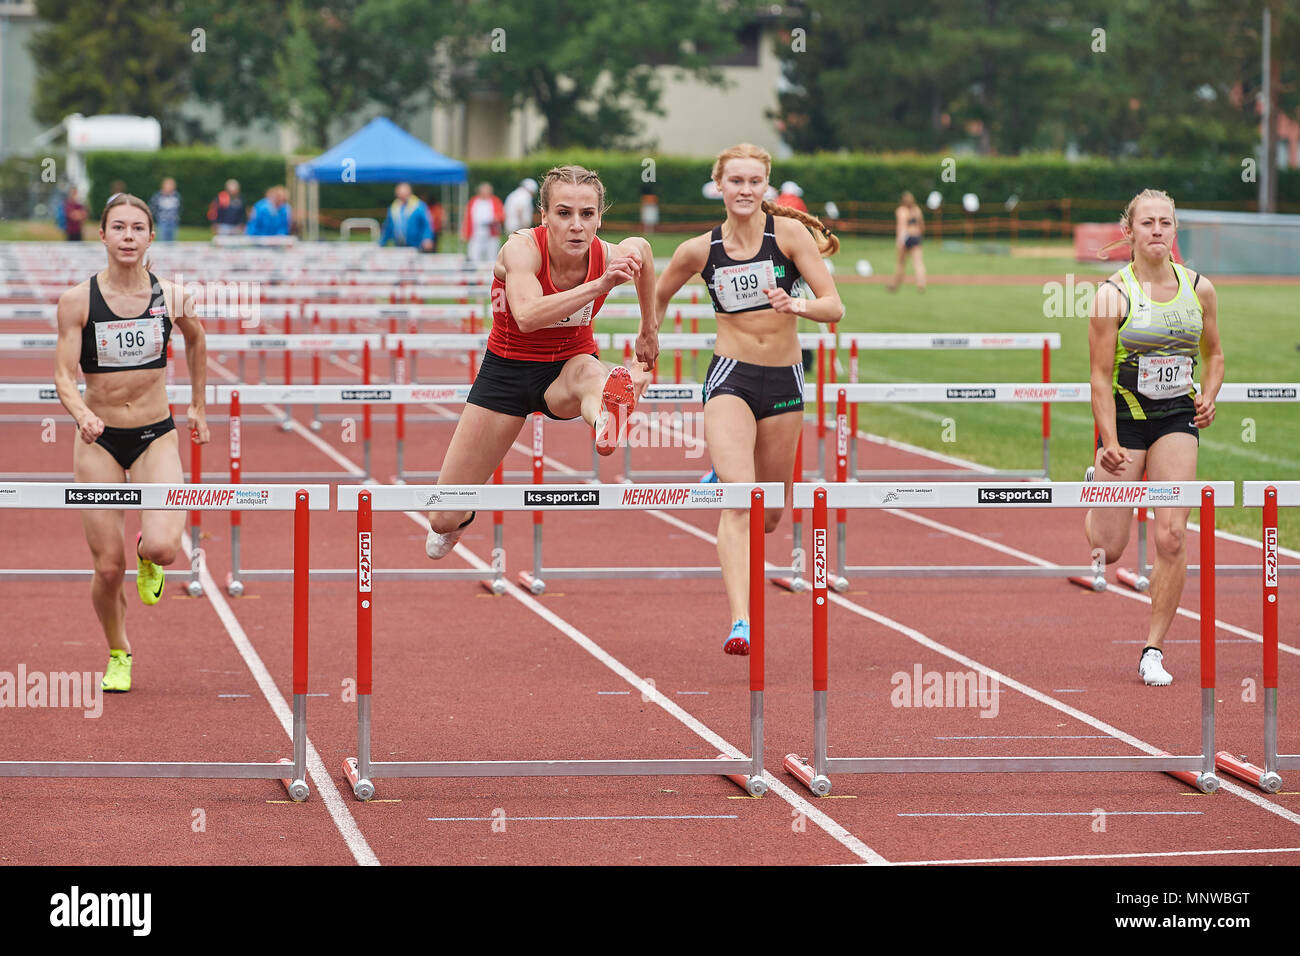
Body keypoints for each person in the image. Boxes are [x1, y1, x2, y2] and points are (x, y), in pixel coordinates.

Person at [655, 143, 843, 655]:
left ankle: (726, 470)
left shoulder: (788, 235)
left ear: (766, 186)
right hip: (730, 376)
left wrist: (795, 302)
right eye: (735, 181)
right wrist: (649, 339)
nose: (744, 190)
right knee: (743, 498)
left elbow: (834, 307)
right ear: (719, 185)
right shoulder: (700, 250)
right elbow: (660, 291)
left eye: (754, 182)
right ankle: (742, 621)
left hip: (784, 380)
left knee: (771, 514)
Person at [425, 165, 657, 559]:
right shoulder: (521, 249)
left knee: (590, 375)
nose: (577, 226)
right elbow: (528, 316)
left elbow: (645, 253)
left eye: (587, 215)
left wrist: (648, 329)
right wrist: (599, 285)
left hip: (568, 364)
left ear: (600, 218)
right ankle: (458, 519)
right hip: (506, 373)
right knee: (441, 518)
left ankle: (606, 418)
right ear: (544, 216)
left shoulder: (610, 253)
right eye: (564, 213)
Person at [53, 194, 211, 694]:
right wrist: (81, 414)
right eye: (117, 227)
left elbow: (197, 340)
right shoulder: (77, 301)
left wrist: (198, 406)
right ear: (101, 235)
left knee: (165, 547)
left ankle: (147, 553)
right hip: (98, 440)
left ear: (149, 237)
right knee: (106, 567)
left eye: (136, 228)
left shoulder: (172, 295)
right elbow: (61, 373)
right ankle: (118, 651)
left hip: (154, 434)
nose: (127, 236)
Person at [1084, 188, 1224, 687]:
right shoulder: (1110, 295)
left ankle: (1153, 650)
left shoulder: (1199, 289)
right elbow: (1100, 376)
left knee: (1170, 534)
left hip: (1175, 420)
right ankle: (1095, 485)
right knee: (1108, 547)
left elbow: (1215, 355)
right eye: (1148, 223)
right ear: (1130, 231)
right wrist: (1107, 438)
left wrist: (1207, 395)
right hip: (1123, 420)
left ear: (1175, 231)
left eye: (1166, 222)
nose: (1158, 230)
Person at [887, 191, 926, 293]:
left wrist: (900, 241)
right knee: (918, 263)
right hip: (916, 237)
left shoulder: (901, 210)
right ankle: (921, 284)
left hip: (906, 237)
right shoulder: (917, 210)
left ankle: (894, 285)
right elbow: (922, 226)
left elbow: (901, 226)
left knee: (901, 264)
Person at [378, 182, 434, 250]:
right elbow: (388, 226)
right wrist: (382, 242)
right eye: (400, 194)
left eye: (404, 194)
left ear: (409, 193)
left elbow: (427, 223)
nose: (402, 196)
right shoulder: (393, 207)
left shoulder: (419, 206)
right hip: (398, 244)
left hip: (416, 245)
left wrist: (427, 238)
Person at [463, 182, 505, 264]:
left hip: (491, 234)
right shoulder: (473, 201)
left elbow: (501, 215)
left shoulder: (495, 201)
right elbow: (468, 218)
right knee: (474, 255)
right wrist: (465, 232)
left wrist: (495, 219)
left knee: (492, 257)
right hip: (476, 234)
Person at [149, 178, 182, 242]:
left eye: (171, 185)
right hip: (162, 221)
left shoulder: (176, 196)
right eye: (168, 185)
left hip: (173, 221)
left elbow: (179, 208)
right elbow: (152, 208)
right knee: (162, 240)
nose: (169, 187)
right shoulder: (158, 196)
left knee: (172, 240)